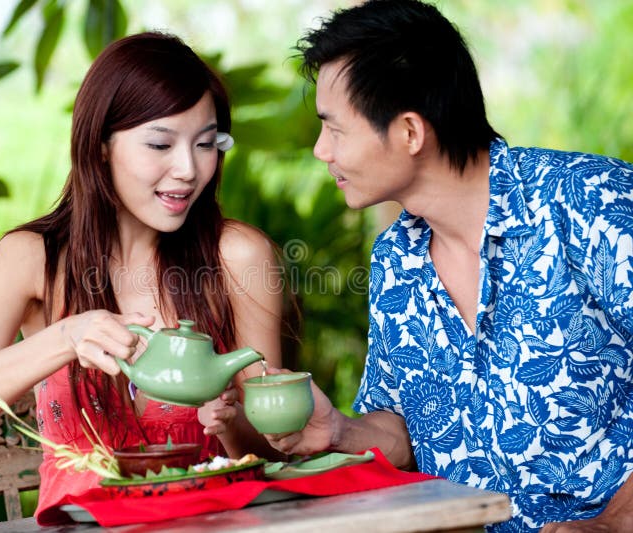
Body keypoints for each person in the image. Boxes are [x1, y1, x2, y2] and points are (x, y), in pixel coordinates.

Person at [264, 1, 633, 532]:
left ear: (410, 133)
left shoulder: (590, 202)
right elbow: (404, 435)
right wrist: (340, 431)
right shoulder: (396, 261)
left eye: (335, 129)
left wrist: (612, 523)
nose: (322, 151)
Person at [0, 32, 284, 517]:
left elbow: (274, 452)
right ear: (99, 146)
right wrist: (67, 336)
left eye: (206, 144)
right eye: (160, 143)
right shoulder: (33, 259)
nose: (188, 169)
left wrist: (230, 426)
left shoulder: (237, 256)